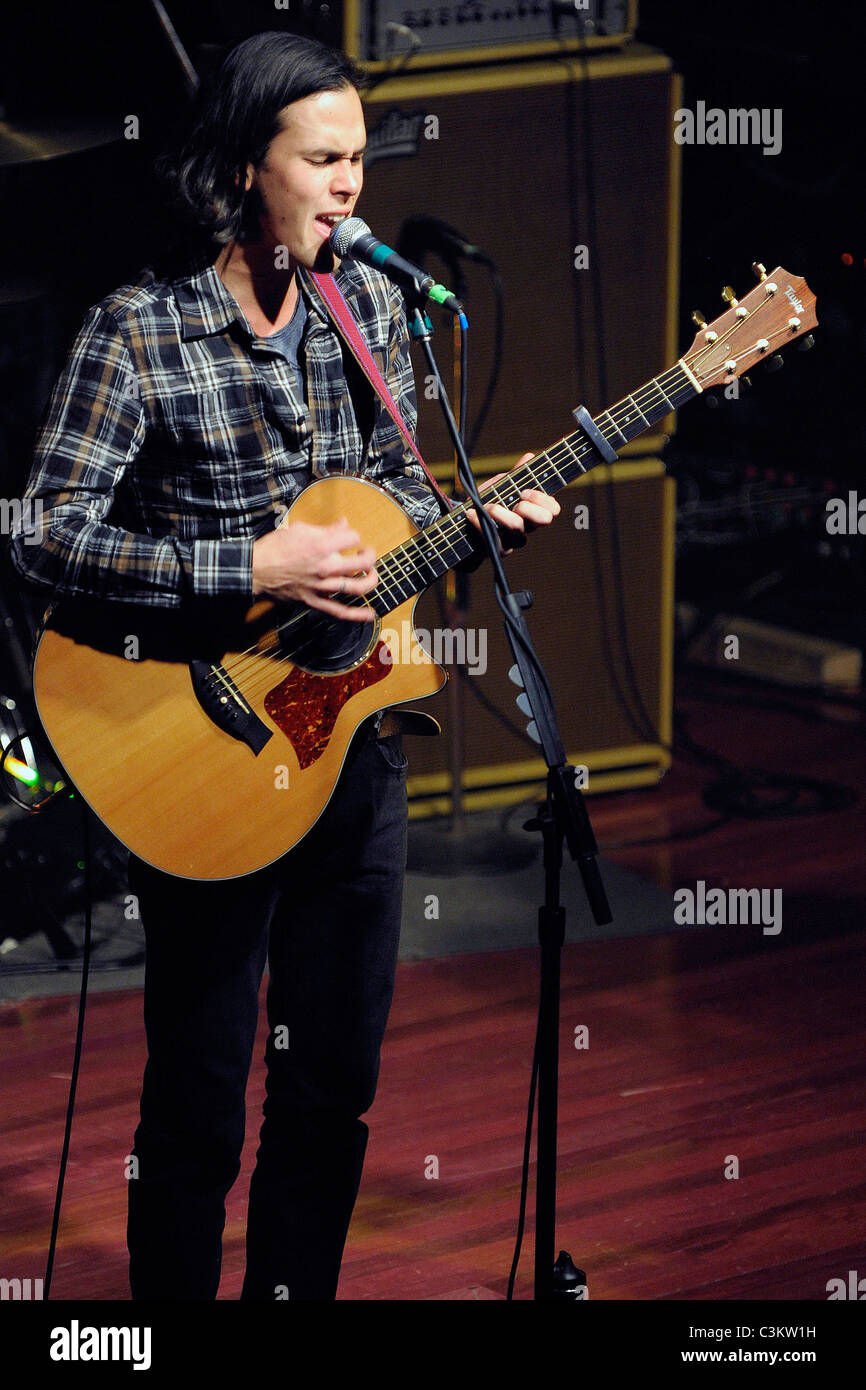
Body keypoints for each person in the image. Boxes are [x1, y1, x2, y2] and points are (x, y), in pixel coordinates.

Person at [9, 31, 559, 1300]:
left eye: (360, 159)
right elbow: (46, 533)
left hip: (351, 749)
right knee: (198, 1098)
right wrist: (251, 568)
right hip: (203, 747)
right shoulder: (142, 332)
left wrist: (464, 524)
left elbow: (377, 520)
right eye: (322, 158)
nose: (349, 185)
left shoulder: (366, 309)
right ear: (240, 170)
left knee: (332, 1088)